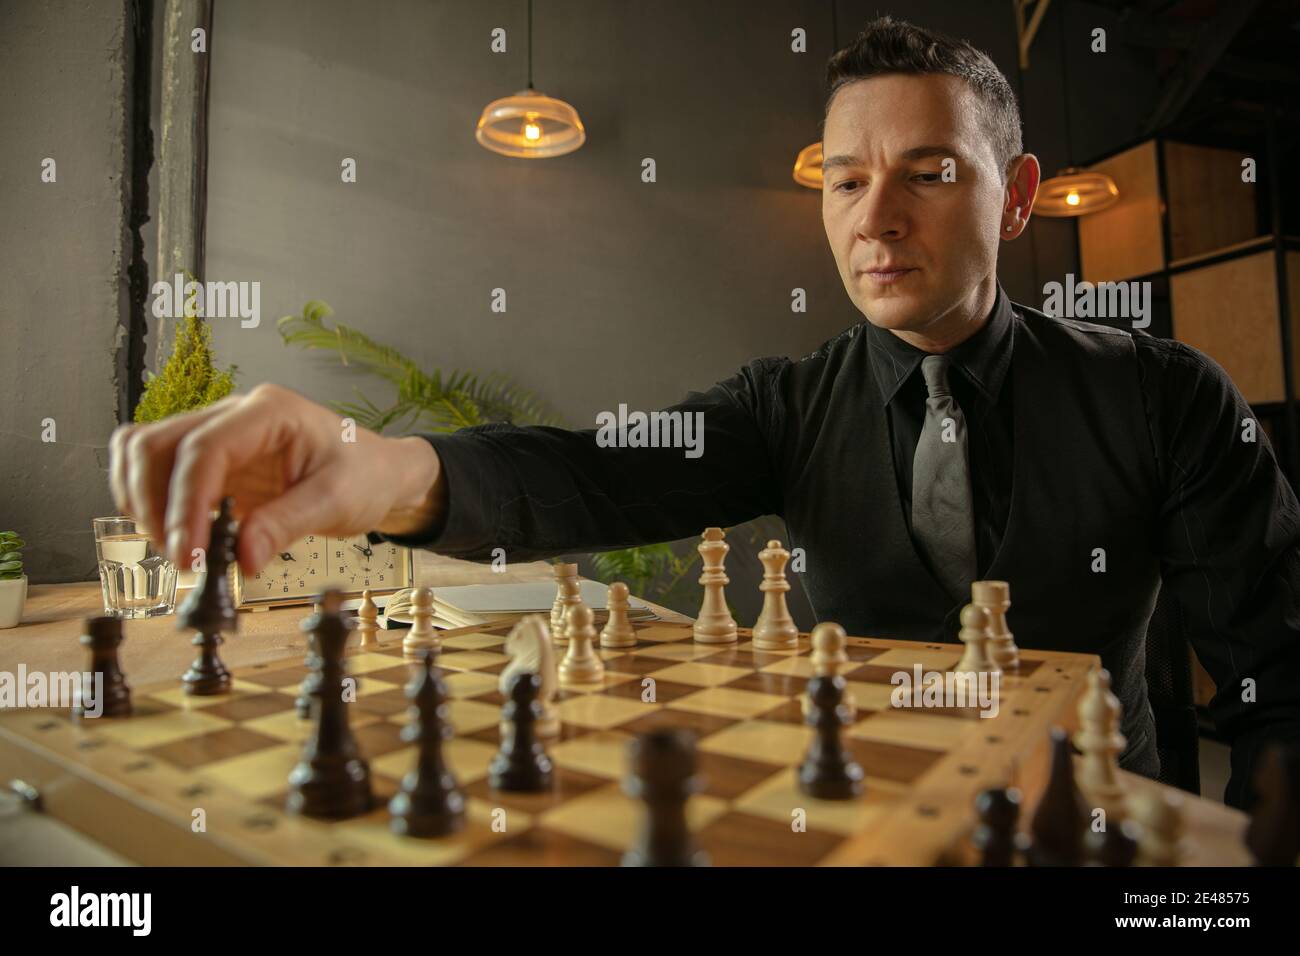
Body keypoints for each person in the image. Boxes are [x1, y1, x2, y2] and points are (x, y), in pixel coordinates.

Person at [110, 17, 1300, 809]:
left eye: (927, 172)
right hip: (858, 820)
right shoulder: (785, 407)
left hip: (1093, 824)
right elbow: (593, 471)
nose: (874, 217)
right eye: (844, 178)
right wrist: (378, 468)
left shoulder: (1163, 395)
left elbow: (1274, 686)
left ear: (1019, 197)